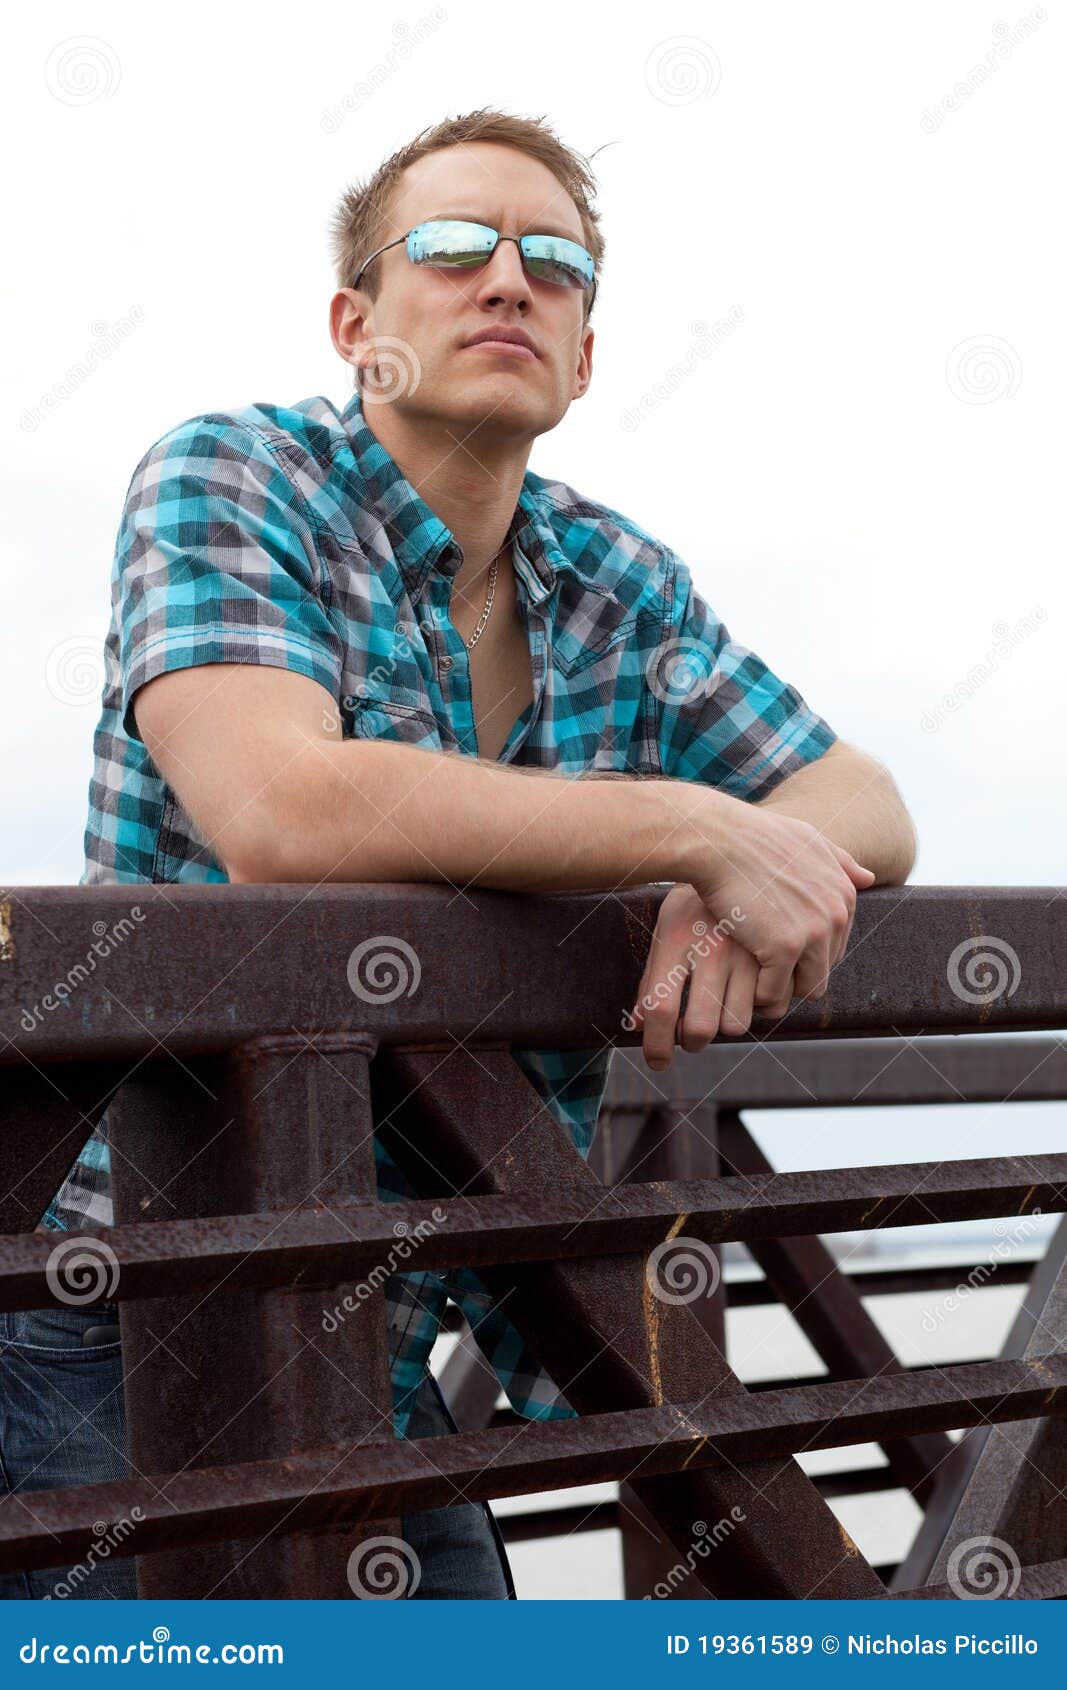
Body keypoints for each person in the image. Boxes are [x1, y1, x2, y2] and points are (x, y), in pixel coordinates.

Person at [1, 108, 916, 1601]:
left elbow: (866, 798)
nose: (509, 279)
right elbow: (283, 810)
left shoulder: (615, 577)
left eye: (555, 261)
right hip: (114, 1313)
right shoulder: (233, 475)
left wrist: (754, 862)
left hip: (384, 1329)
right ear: (356, 327)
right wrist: (695, 828)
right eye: (451, 246)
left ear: (586, 355)